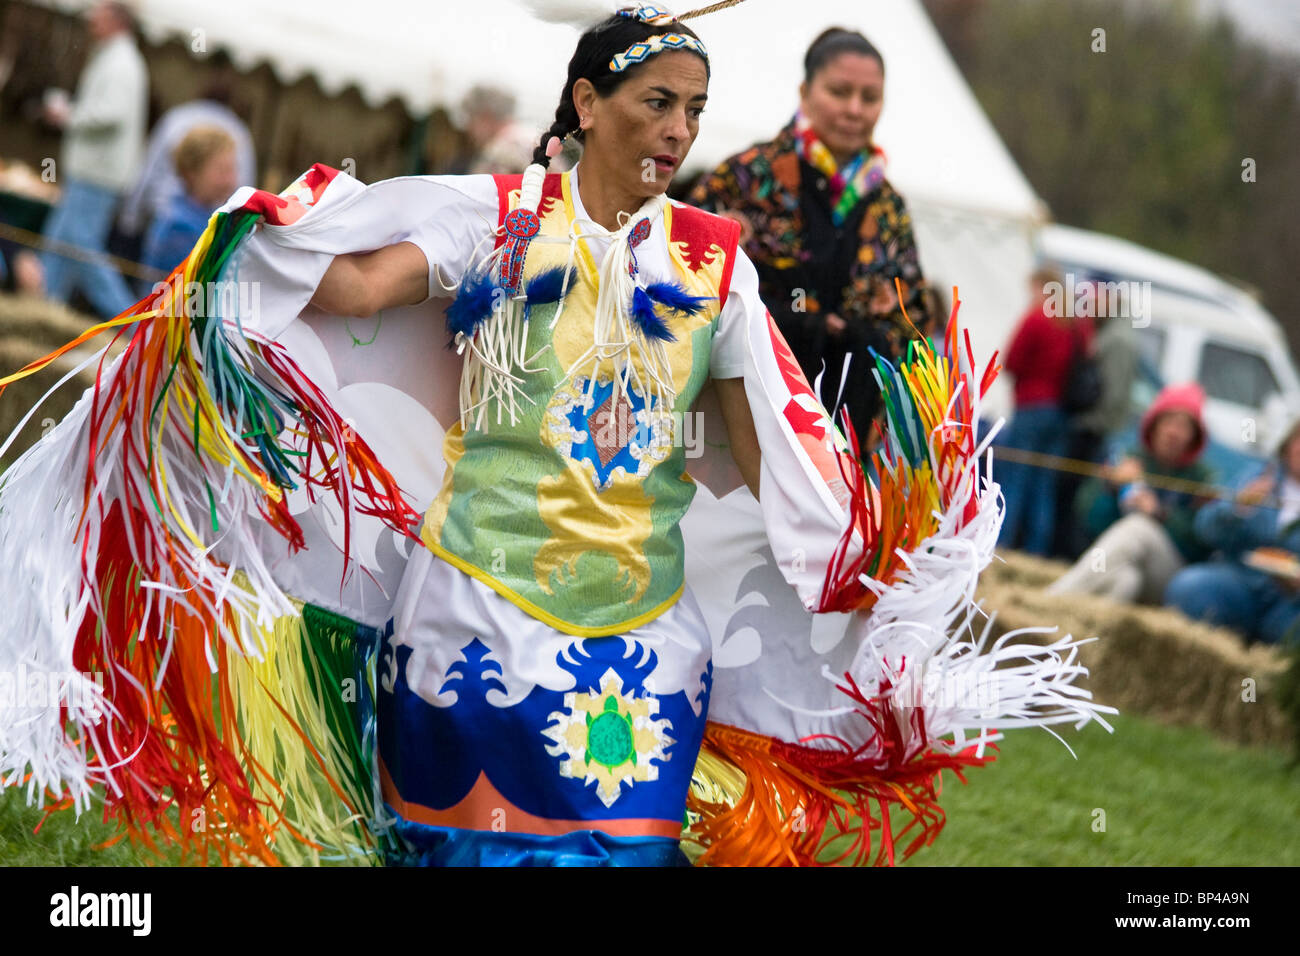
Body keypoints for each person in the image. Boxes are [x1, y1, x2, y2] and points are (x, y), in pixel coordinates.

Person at [0, 3, 1110, 869]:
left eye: (694, 106)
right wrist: (255, 238)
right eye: (657, 101)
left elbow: (768, 441)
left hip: (641, 648)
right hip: (468, 617)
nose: (678, 129)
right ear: (587, 102)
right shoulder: (496, 215)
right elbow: (358, 286)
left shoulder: (715, 263)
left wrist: (858, 556)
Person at [687, 27, 926, 444]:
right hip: (739, 427)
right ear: (805, 90)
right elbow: (688, 284)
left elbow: (912, 319)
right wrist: (803, 323)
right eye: (839, 91)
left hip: (843, 438)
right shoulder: (744, 178)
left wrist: (859, 338)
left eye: (869, 98)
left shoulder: (888, 208)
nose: (855, 109)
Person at [1048, 383, 1213, 604]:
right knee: (1125, 582)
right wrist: (1110, 489)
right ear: (1153, 425)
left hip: (1173, 579)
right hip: (1130, 566)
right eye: (1168, 421)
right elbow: (1089, 520)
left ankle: (1051, 600)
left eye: (1183, 426)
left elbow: (1201, 543)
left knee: (1138, 527)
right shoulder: (1128, 458)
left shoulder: (1203, 478)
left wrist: (1159, 513)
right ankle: (1082, 632)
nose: (1173, 432)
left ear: (1194, 437)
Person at [36, 0, 147, 318]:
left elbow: (111, 113)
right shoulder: (115, 57)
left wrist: (68, 114)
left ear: (117, 19)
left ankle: (129, 318)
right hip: (91, 173)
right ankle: (43, 307)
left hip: (97, 175)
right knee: (60, 243)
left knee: (81, 247)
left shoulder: (122, 61)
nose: (92, 19)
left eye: (99, 12)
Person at [1165, 419, 1300, 645]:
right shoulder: (1260, 475)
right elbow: (1205, 529)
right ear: (1288, 444)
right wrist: (1238, 507)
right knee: (1189, 587)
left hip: (1288, 603)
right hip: (1240, 579)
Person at [997, 266, 1093, 556]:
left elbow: (1011, 361)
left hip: (1030, 408)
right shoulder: (1076, 325)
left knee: (1015, 479)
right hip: (1061, 413)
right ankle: (1036, 550)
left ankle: (1001, 545)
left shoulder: (1036, 318)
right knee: (1043, 486)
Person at [117, 52, 256, 243]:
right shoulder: (239, 132)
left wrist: (131, 218)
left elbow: (149, 169)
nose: (229, 179)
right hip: (208, 226)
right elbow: (245, 187)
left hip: (162, 213)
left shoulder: (176, 118)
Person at [1054, 278, 1140, 557]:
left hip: (1095, 433)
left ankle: (1068, 556)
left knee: (1079, 499)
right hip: (1094, 430)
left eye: (1096, 297)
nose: (1089, 304)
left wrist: (1087, 418)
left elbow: (1112, 395)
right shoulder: (1112, 331)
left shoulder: (1117, 339)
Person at [139, 126, 240, 275]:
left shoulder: (207, 214)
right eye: (222, 171)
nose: (230, 180)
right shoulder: (177, 227)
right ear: (192, 172)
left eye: (232, 169)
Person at [457, 84, 543, 175]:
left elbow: (487, 187)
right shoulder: (535, 137)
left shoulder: (498, 151)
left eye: (471, 118)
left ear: (485, 116)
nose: (469, 128)